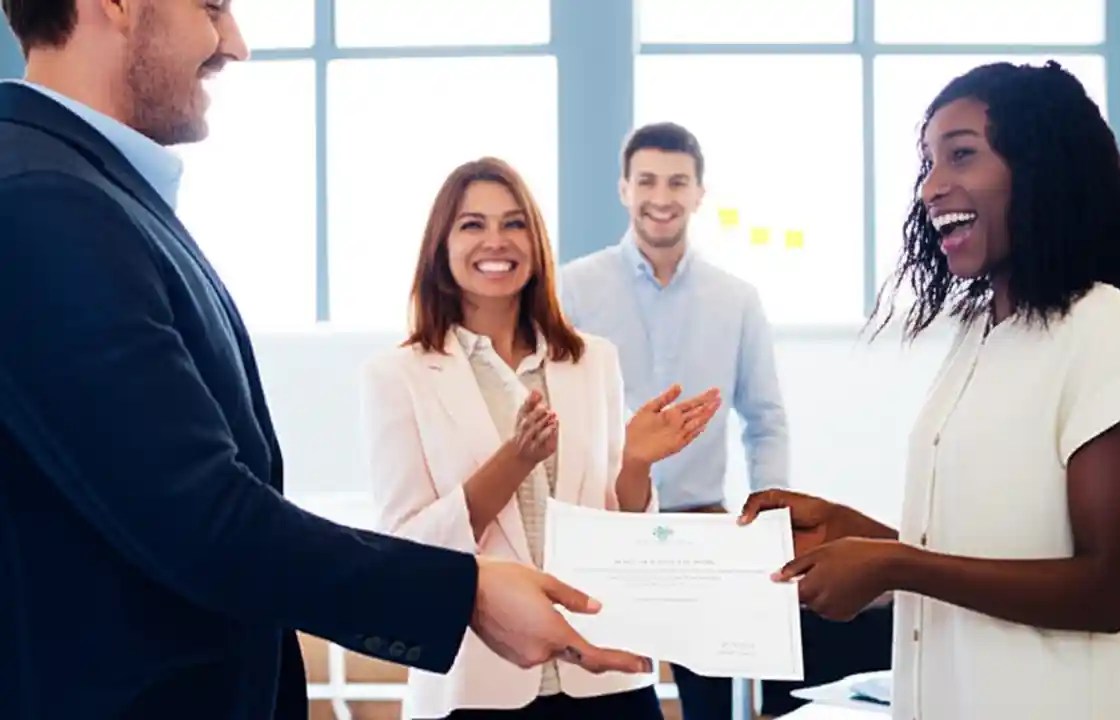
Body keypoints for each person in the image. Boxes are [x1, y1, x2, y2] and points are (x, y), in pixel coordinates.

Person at [0, 3, 649, 719]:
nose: (234, 46)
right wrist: (463, 591)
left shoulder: (95, 194)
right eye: (211, 6)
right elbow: (202, 516)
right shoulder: (47, 202)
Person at [740, 60, 1120, 720]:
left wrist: (894, 565)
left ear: (1041, 167)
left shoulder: (1103, 325)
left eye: (961, 155)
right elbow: (988, 557)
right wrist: (849, 532)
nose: (932, 187)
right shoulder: (979, 334)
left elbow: (1107, 590)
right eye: (927, 164)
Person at [359, 156, 722, 719]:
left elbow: (615, 531)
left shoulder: (592, 360)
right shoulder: (398, 375)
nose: (496, 241)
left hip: (603, 680)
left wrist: (636, 465)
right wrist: (513, 461)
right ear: (441, 246)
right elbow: (405, 552)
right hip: (476, 685)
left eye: (514, 223)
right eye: (472, 225)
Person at [559, 121, 789, 719]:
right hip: (607, 525)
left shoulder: (736, 298)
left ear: (699, 193)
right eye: (647, 181)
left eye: (677, 182)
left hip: (701, 527)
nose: (661, 197)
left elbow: (765, 418)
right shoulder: (572, 289)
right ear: (623, 188)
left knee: (715, 704)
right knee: (607, 700)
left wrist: (768, 516)